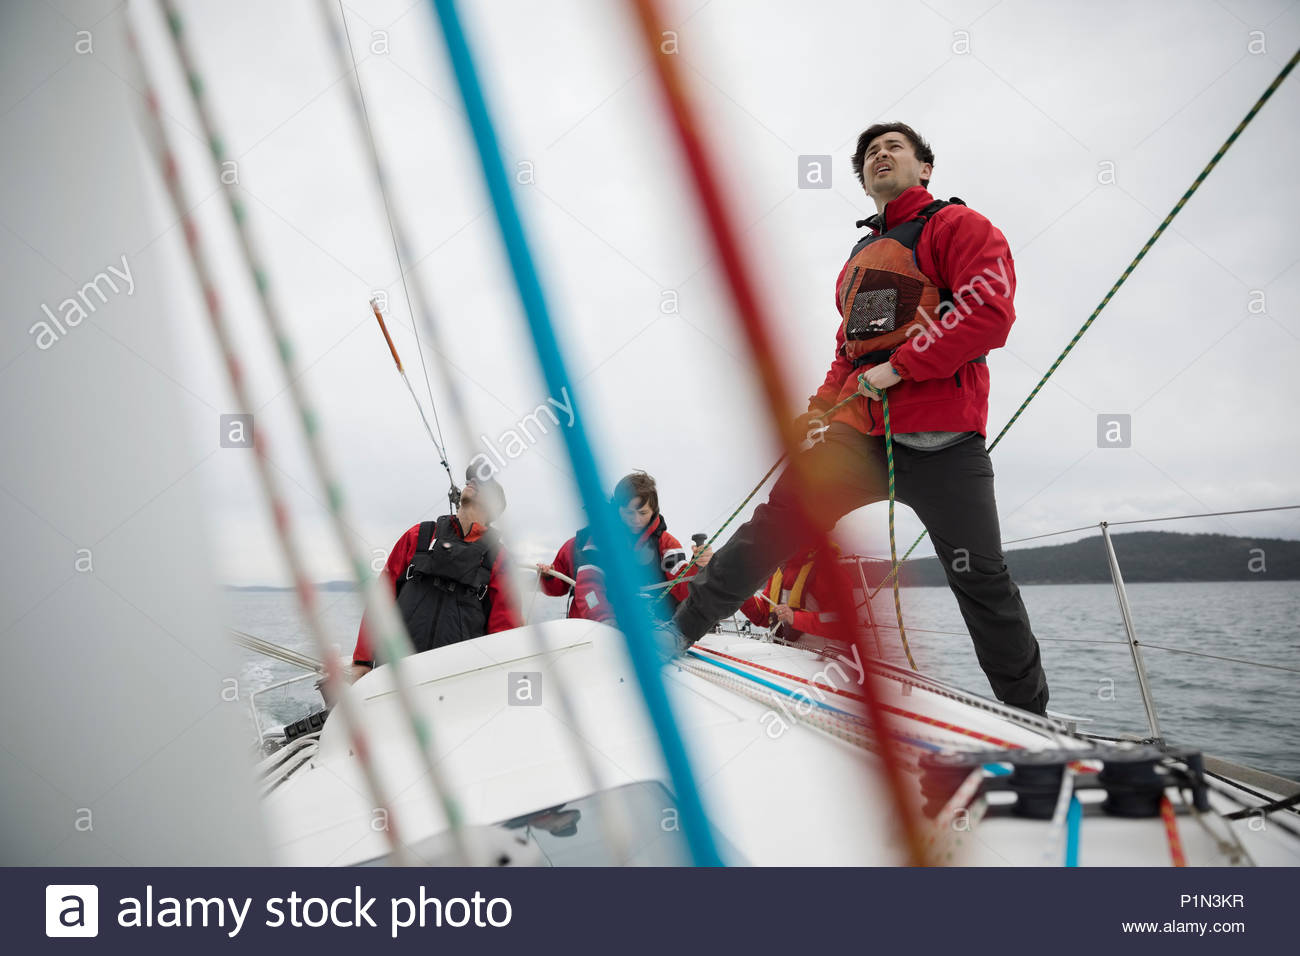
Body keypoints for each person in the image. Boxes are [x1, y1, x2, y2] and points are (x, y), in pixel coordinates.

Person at [666, 122, 1050, 715]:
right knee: (775, 524)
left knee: (981, 578)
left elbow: (989, 312)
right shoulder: (855, 264)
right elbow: (848, 353)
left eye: (894, 147)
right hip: (857, 434)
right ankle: (675, 632)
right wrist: (818, 412)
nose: (880, 155)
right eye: (870, 153)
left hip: (942, 437)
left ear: (924, 168)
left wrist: (902, 366)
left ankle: (1032, 714)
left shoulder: (956, 226)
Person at [349, 467, 520, 681]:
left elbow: (504, 630)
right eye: (471, 479)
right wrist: (362, 660)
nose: (472, 481)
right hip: (395, 675)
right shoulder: (419, 535)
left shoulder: (500, 559)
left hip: (454, 680)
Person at [536, 471, 711, 623]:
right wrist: (605, 620)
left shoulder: (667, 544)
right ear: (617, 510)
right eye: (629, 513)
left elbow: (682, 586)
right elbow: (589, 585)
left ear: (654, 510)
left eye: (643, 513)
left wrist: (699, 566)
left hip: (651, 632)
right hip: (595, 630)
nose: (636, 519)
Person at [738, 547, 842, 644]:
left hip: (821, 657)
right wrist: (739, 592)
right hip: (785, 654)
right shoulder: (780, 568)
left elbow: (841, 620)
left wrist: (796, 618)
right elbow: (766, 616)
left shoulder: (827, 569)